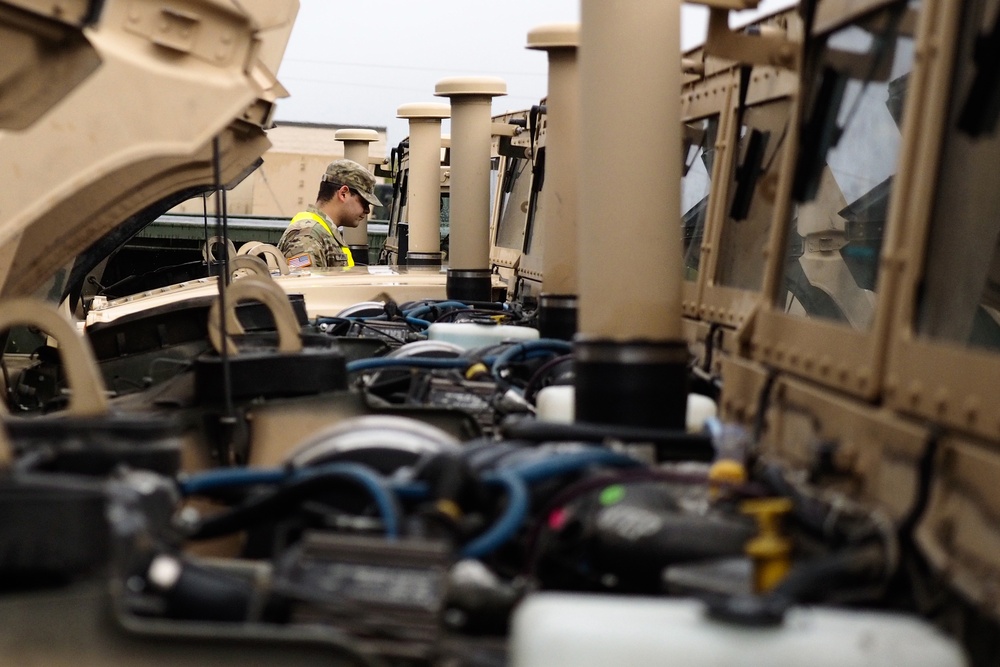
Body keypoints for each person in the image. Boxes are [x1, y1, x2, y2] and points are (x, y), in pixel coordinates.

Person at [278, 159, 383, 269]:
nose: (367, 210)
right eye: (364, 202)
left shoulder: (321, 233)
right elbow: (302, 284)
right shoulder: (307, 236)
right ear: (343, 193)